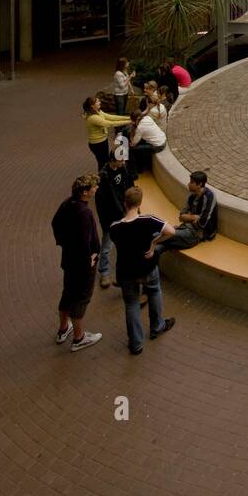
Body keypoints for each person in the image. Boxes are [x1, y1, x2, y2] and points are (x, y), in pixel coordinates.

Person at [109, 185, 177, 355]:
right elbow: (171, 231)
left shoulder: (114, 227)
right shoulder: (148, 220)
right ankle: (157, 326)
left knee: (131, 304)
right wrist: (154, 243)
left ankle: (136, 343)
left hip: (126, 272)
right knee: (154, 292)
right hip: (146, 267)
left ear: (125, 203)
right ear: (140, 203)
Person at [51, 174, 103, 351]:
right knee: (81, 298)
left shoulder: (67, 204)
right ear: (84, 192)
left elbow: (55, 223)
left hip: (69, 260)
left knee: (68, 293)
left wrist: (64, 244)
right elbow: (85, 242)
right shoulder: (84, 213)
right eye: (93, 187)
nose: (96, 189)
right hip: (82, 265)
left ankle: (63, 328)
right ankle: (79, 337)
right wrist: (91, 258)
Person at [150, 170, 218, 260]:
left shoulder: (209, 197)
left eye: (192, 182)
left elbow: (202, 223)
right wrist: (194, 217)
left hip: (196, 234)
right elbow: (181, 216)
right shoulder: (192, 196)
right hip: (184, 227)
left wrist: (189, 217)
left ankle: (152, 241)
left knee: (156, 235)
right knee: (157, 248)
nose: (188, 184)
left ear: (200, 184)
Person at [95, 149, 137, 289]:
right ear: (113, 160)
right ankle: (104, 272)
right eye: (121, 160)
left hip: (124, 211)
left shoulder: (123, 168)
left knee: (124, 245)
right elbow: (101, 203)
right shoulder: (103, 176)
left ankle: (122, 272)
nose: (124, 162)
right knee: (107, 246)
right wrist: (106, 222)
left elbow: (129, 185)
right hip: (111, 216)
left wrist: (132, 206)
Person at [82, 95, 131, 171]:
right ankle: (102, 178)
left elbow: (111, 117)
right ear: (92, 106)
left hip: (102, 141)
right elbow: (110, 123)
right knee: (102, 163)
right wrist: (129, 121)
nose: (99, 102)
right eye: (97, 101)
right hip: (97, 144)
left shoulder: (98, 111)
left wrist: (128, 117)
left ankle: (103, 177)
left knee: (105, 161)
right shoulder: (93, 117)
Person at [129, 105, 167, 174]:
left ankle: (137, 170)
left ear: (136, 119)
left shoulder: (140, 128)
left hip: (158, 146)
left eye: (132, 120)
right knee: (141, 145)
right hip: (163, 139)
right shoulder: (147, 118)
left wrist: (131, 136)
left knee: (132, 149)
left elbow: (133, 143)